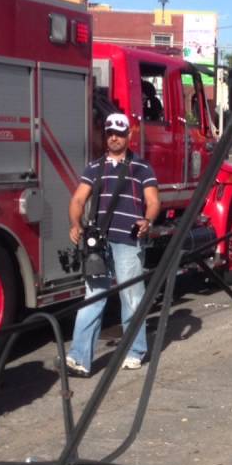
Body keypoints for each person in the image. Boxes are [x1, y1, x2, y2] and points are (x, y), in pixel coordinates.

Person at [64, 112, 161, 377]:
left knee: (131, 297)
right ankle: (79, 358)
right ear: (104, 135)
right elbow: (77, 201)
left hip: (129, 240)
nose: (114, 137)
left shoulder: (141, 168)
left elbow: (153, 201)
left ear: (130, 135)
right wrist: (75, 224)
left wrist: (147, 221)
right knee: (93, 297)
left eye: (119, 133)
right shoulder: (94, 168)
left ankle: (135, 351)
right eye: (110, 133)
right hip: (100, 244)